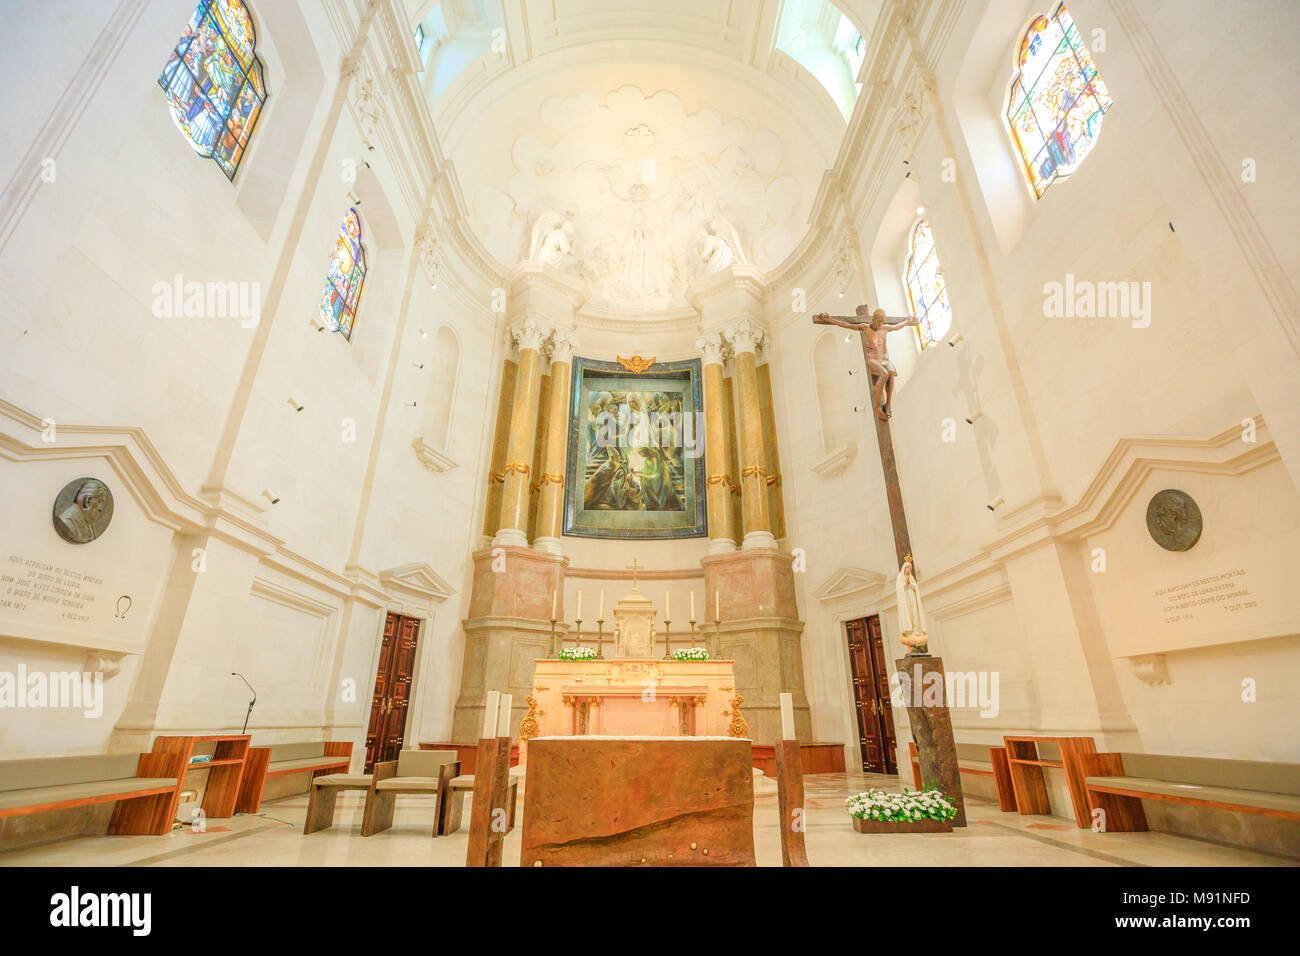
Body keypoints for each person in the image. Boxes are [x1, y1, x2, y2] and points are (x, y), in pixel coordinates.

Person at [812, 304, 919, 420]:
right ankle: (877, 406)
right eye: (879, 321)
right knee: (885, 374)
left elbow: (898, 326)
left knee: (891, 372)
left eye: (883, 321)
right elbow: (847, 325)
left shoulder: (885, 328)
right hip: (872, 360)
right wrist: (830, 319)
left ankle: (888, 405)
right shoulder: (865, 328)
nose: (881, 324)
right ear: (873, 318)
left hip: (884, 360)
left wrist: (908, 321)